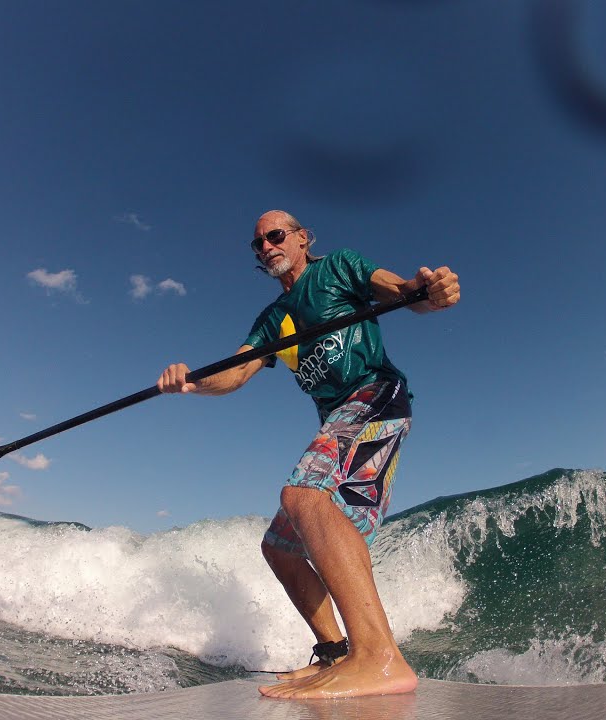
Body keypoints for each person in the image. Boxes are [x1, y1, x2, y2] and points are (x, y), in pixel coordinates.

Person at [157, 210, 460, 699]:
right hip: (340, 421)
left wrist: (427, 290)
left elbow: (400, 291)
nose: (266, 247)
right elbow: (235, 373)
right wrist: (191, 382)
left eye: (275, 236)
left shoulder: (337, 268)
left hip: (374, 398)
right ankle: (337, 654)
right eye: (257, 244)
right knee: (280, 547)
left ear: (302, 238)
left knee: (303, 495)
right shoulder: (274, 320)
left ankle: (379, 659)